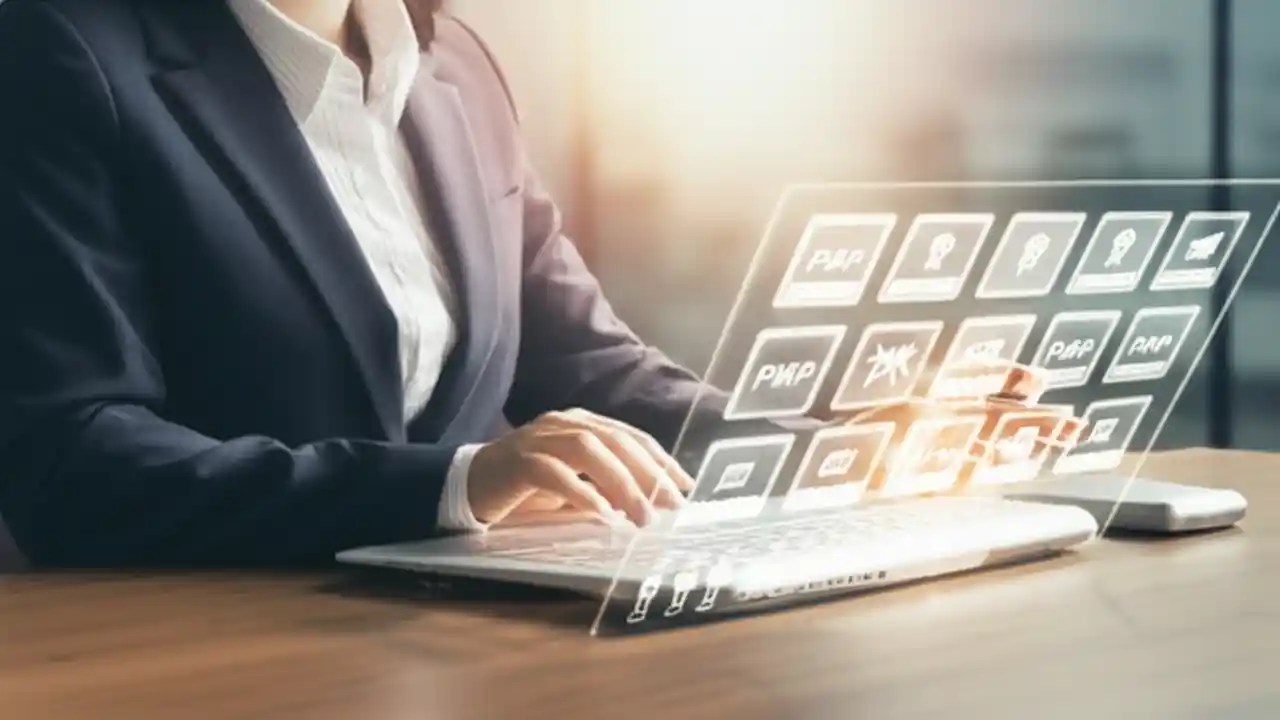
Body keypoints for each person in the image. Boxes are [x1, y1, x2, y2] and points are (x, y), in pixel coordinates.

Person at [0, 0, 1071, 566]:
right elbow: (70, 461)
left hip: (462, 647)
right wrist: (454, 485)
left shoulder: (455, 69)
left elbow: (593, 374)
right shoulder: (62, 53)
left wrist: (839, 447)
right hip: (201, 660)